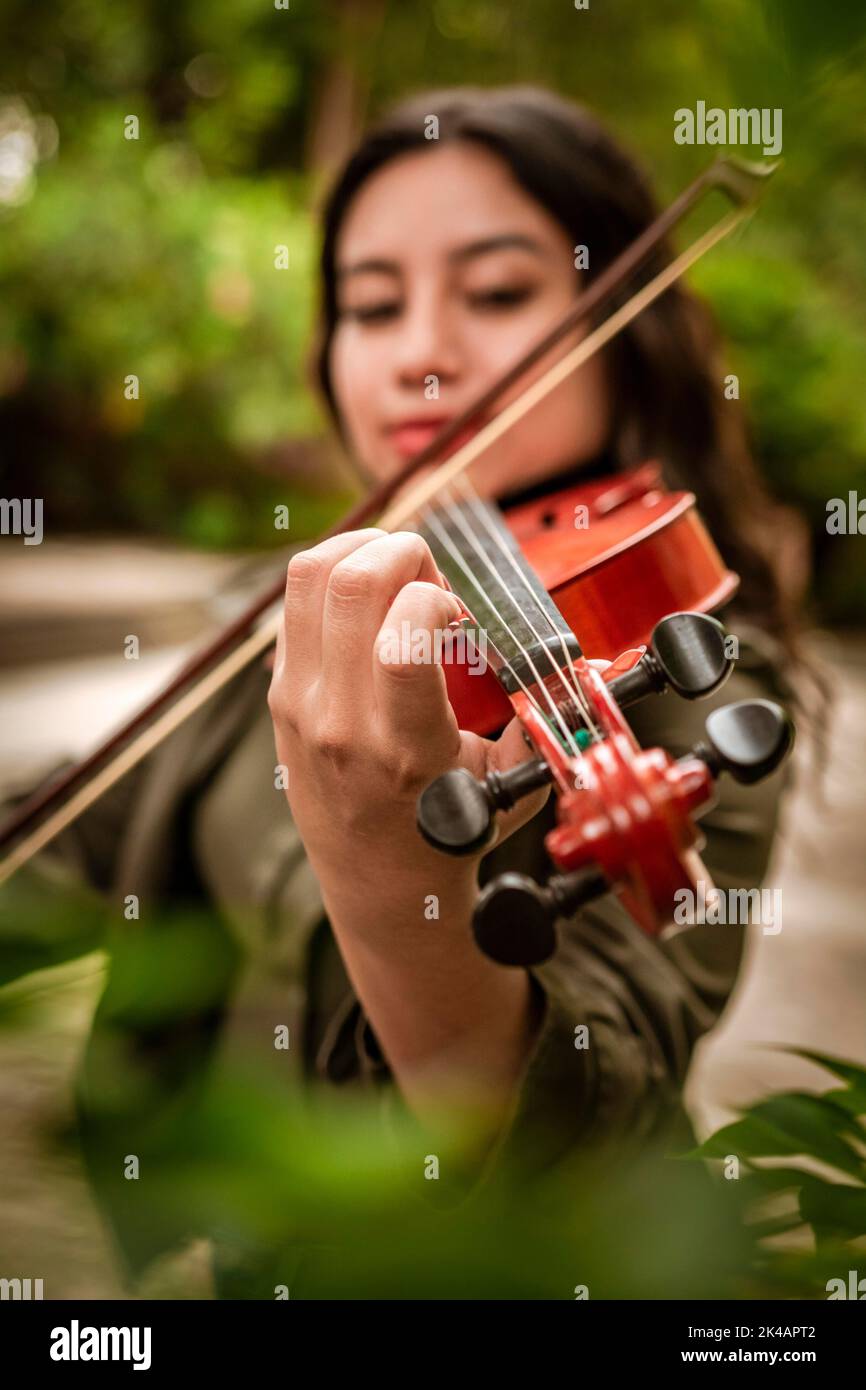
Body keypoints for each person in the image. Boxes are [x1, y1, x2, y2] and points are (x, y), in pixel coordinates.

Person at [3, 85, 798, 1296]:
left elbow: (595, 1101)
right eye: (372, 305)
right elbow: (73, 838)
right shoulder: (294, 607)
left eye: (495, 293)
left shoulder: (682, 647)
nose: (422, 351)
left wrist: (396, 886)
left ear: (616, 330)